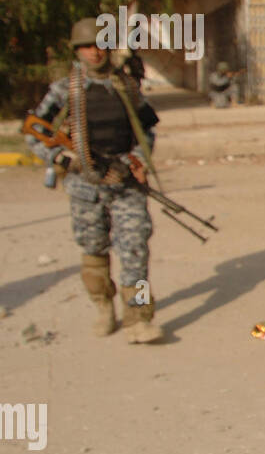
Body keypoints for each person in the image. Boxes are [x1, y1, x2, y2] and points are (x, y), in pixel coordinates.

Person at [27, 17, 163, 343]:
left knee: (135, 250)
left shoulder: (127, 86)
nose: (95, 52)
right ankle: (104, 307)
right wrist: (61, 159)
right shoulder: (64, 90)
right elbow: (34, 132)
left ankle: (138, 317)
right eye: (87, 46)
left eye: (100, 45)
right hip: (85, 185)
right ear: (77, 50)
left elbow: (147, 129)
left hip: (125, 181)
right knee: (93, 248)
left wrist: (140, 161)